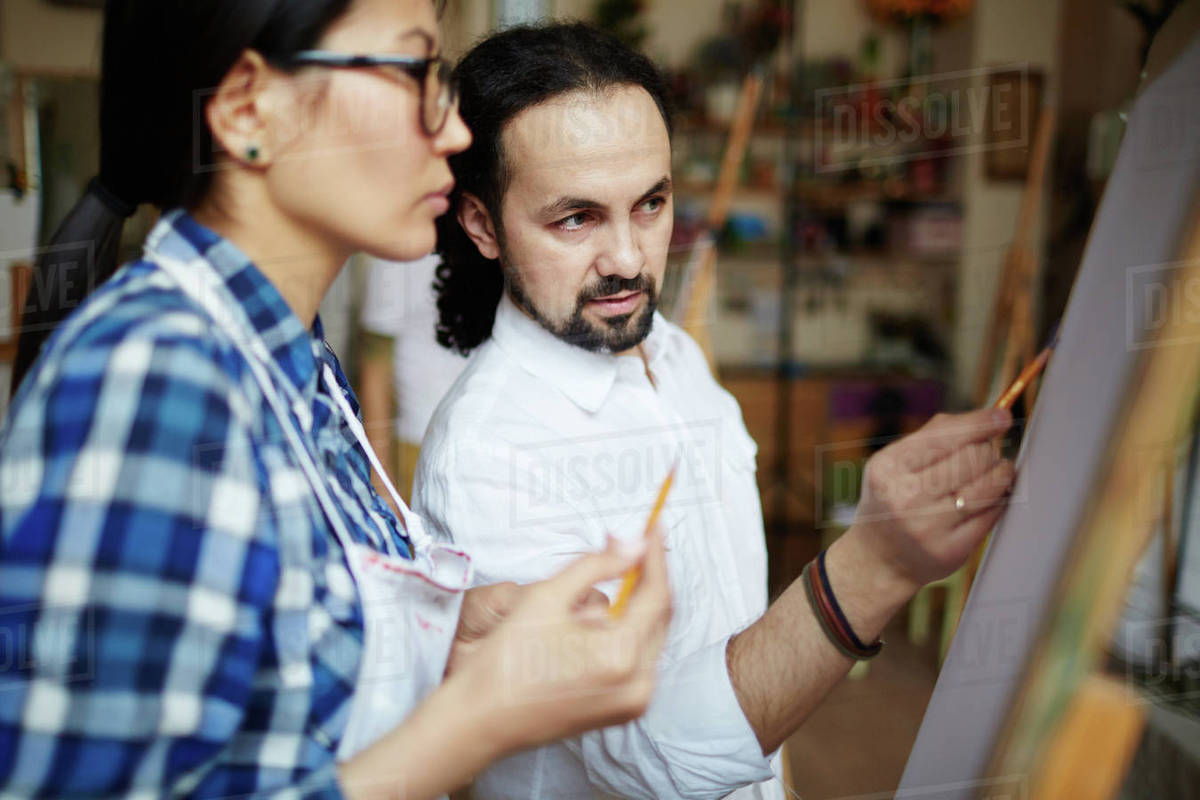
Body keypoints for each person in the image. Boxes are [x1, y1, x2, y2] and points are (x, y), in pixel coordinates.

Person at [0, 2, 672, 798]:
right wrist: (483, 715)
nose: (454, 133)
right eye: (416, 74)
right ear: (251, 110)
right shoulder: (159, 378)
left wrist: (462, 638)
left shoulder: (294, 358)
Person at [414, 22, 1017, 800]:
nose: (630, 259)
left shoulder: (673, 355)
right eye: (577, 219)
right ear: (482, 224)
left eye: (652, 204)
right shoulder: (491, 453)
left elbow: (730, 636)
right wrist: (873, 566)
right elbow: (655, 763)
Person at [357, 253, 467, 504]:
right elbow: (375, 367)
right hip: (421, 443)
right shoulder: (397, 256)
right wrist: (380, 484)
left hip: (493, 442)